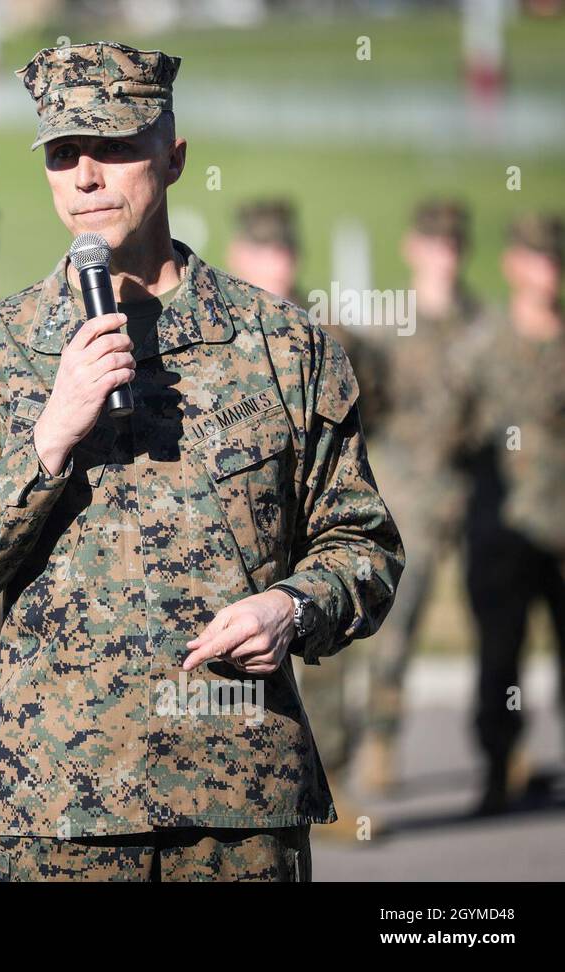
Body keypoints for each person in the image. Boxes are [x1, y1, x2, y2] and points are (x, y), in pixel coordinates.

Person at [0, 41, 403, 882]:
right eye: (63, 154)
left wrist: (293, 607)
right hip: (57, 811)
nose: (86, 175)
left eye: (115, 145)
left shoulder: (283, 347)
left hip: (238, 805)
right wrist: (46, 439)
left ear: (173, 157)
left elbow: (365, 548)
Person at [225, 199, 384, 837]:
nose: (277, 264)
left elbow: (365, 413)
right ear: (242, 255)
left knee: (326, 657)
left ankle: (333, 785)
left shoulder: (320, 339)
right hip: (250, 540)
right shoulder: (225, 333)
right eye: (264, 251)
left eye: (285, 251)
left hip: (313, 532)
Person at [354, 200, 482, 794]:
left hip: (477, 496)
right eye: (434, 243)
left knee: (496, 628)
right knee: (397, 629)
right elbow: (367, 403)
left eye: (453, 244)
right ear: (413, 248)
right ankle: (380, 742)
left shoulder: (482, 325)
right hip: (409, 496)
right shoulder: (387, 325)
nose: (444, 255)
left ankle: (501, 749)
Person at [459, 213, 564, 816]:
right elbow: (453, 429)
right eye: (535, 258)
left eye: (553, 260)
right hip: (504, 528)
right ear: (512, 265)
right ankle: (499, 770)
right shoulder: (484, 345)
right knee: (501, 654)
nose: (545, 272)